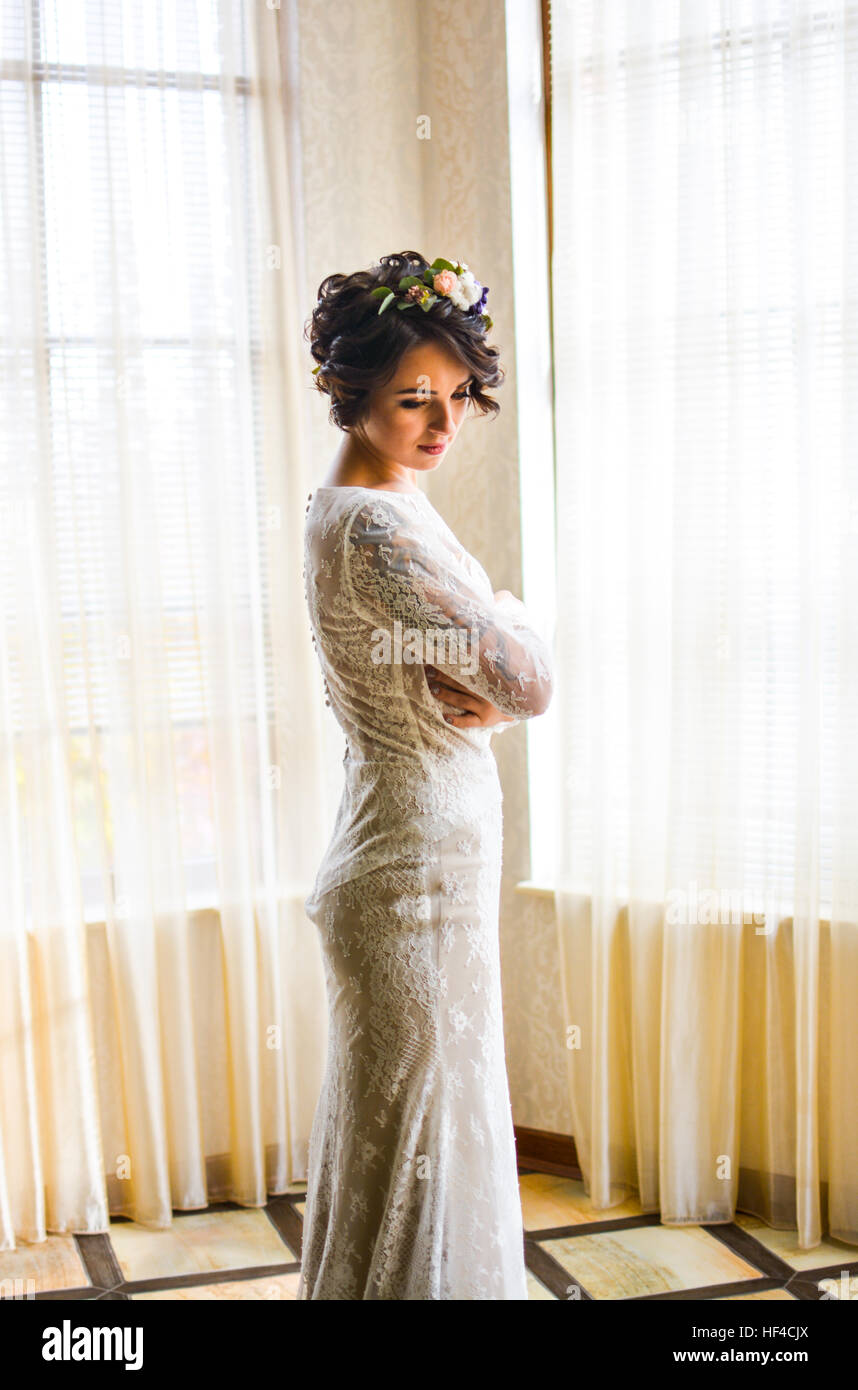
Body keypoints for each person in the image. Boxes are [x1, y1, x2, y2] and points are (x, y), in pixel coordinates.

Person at [298, 251, 554, 1299]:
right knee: (413, 1150)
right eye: (413, 400)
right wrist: (512, 623)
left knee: (411, 1144)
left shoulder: (366, 502)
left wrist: (497, 648)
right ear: (350, 395)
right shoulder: (376, 527)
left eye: (455, 396)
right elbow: (528, 678)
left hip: (410, 860)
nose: (442, 424)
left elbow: (492, 673)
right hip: (410, 878)